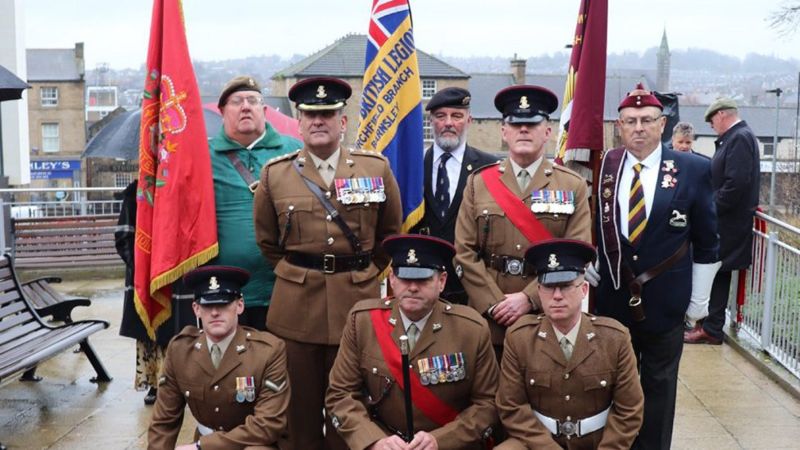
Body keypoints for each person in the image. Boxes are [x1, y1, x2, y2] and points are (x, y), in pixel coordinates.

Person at [253, 76, 403, 449]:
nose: (319, 120)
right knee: (299, 410)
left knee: (353, 405)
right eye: (310, 114)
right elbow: (268, 243)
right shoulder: (276, 174)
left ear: (343, 121)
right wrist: (301, 274)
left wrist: (363, 273)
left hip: (358, 304)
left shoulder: (375, 169)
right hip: (296, 310)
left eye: (328, 113)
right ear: (299, 121)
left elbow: (390, 236)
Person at [591, 83, 720, 450]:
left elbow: (708, 240)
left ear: (662, 124)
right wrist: (592, 260)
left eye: (647, 120)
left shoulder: (693, 168)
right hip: (614, 297)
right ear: (619, 125)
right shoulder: (607, 167)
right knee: (612, 386)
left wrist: (699, 301)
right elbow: (595, 225)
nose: (639, 128)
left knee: (659, 388)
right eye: (630, 121)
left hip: (667, 299)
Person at [454, 84, 591, 356]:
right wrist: (494, 303)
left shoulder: (572, 185)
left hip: (548, 312)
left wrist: (529, 299)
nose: (524, 130)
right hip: (489, 316)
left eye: (532, 123)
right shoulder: (478, 183)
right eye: (515, 124)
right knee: (489, 394)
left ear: (548, 132)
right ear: (504, 132)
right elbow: (463, 253)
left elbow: (577, 250)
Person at [326, 234, 498, 450]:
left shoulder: (471, 329)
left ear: (441, 281)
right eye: (405, 278)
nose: (413, 288)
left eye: (423, 279)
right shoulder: (363, 321)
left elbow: (488, 404)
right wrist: (373, 441)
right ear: (392, 279)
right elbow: (341, 395)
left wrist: (442, 440)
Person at [496, 239, 644, 449]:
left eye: (565, 286)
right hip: (539, 442)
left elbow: (629, 410)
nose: (557, 296)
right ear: (538, 291)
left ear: (583, 290)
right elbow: (511, 407)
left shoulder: (615, 338)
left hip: (598, 442)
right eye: (548, 287)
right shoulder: (519, 338)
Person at [148, 266, 290, 450]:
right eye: (207, 305)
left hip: (252, 444)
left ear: (239, 306)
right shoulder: (180, 350)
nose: (215, 312)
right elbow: (163, 421)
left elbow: (268, 425)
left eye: (223, 304)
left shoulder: (268, 351)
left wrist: (202, 447)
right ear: (196, 309)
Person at [210, 75, 302, 330]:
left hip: (284, 286)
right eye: (237, 101)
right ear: (222, 111)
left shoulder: (294, 151)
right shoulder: (203, 155)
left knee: (282, 365)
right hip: (225, 291)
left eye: (253, 100)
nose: (246, 106)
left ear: (264, 110)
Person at [685, 98, 760, 345]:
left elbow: (735, 184)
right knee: (717, 272)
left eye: (712, 120)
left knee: (717, 270)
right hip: (726, 220)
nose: (711, 125)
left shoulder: (739, 138)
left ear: (722, 115)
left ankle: (711, 327)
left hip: (727, 221)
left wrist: (709, 210)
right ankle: (708, 325)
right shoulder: (737, 137)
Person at [412, 87, 498, 304]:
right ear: (431, 121)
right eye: (441, 116)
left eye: (456, 116)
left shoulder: (490, 168)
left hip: (470, 289)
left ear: (469, 121)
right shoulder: (412, 166)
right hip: (421, 282)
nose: (448, 123)